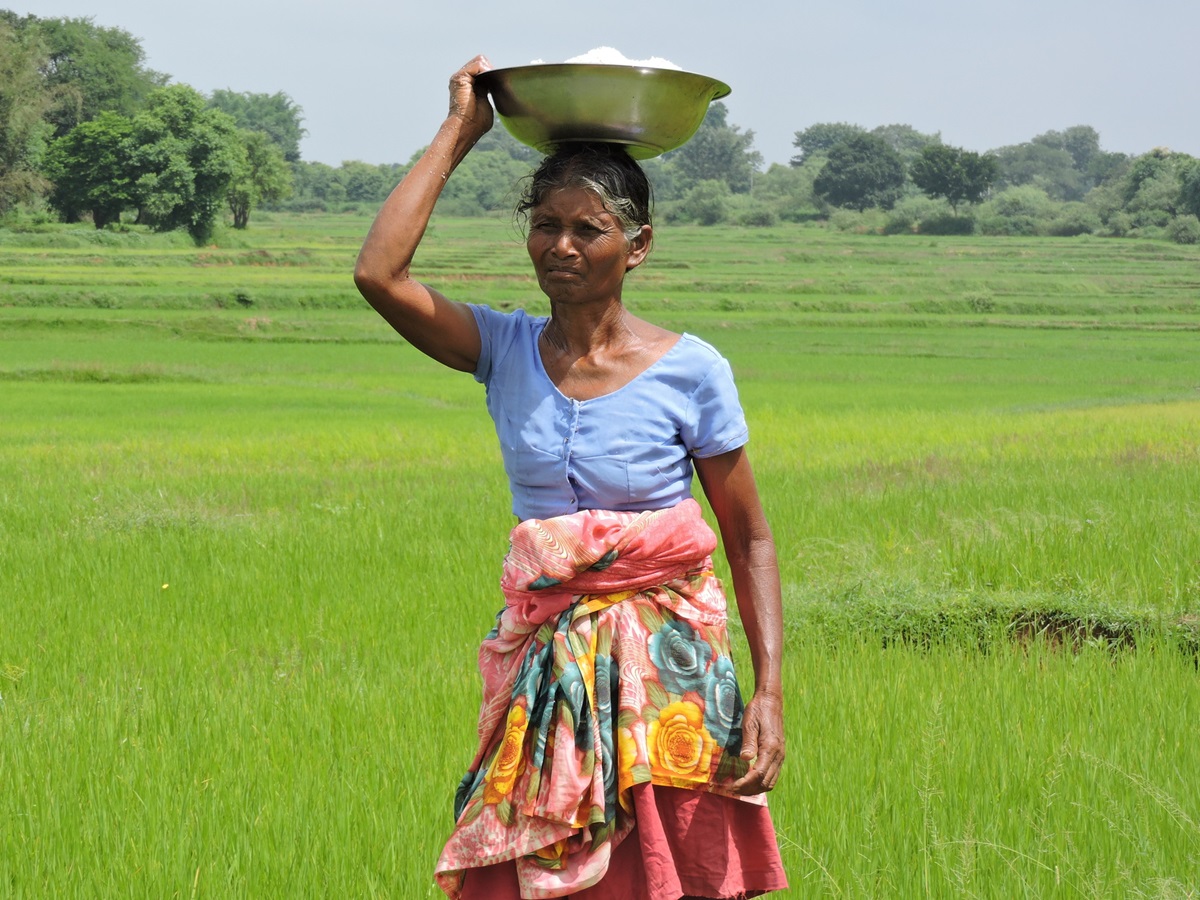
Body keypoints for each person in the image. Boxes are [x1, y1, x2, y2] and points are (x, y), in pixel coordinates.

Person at [354, 55, 787, 900]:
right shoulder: (502, 349)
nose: (560, 247)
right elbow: (379, 275)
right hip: (547, 668)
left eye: (587, 230)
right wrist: (459, 132)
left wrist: (769, 693)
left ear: (638, 246)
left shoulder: (692, 370)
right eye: (545, 225)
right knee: (540, 873)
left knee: (671, 873)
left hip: (672, 670)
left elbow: (751, 537)